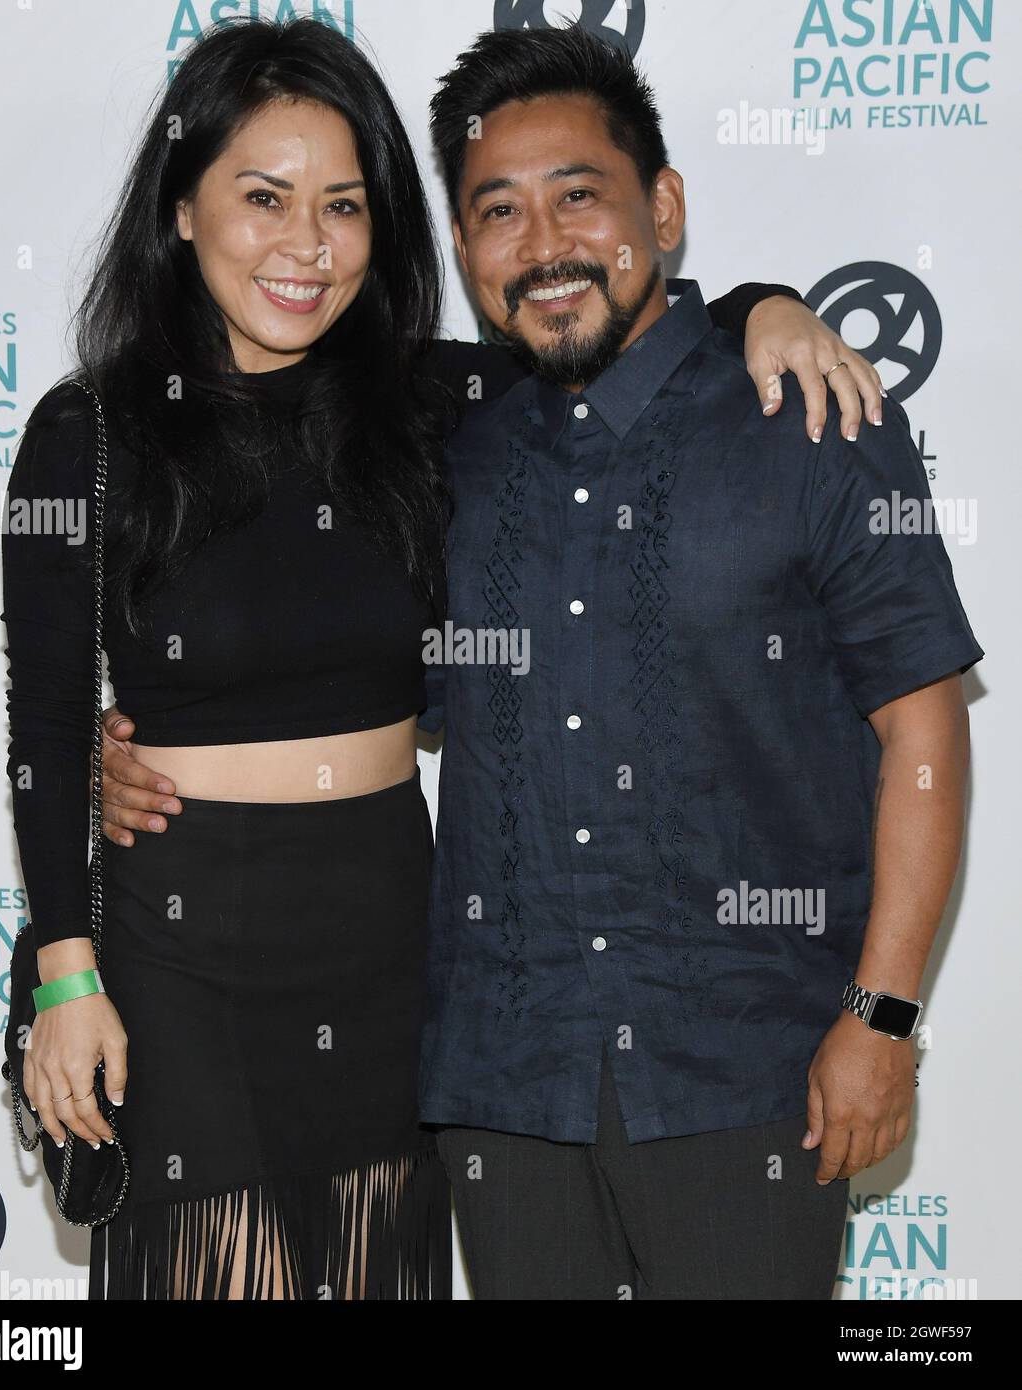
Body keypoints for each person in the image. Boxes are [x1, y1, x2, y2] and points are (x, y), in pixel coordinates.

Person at [64, 20, 880, 1300]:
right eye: (263, 197)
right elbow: (44, 719)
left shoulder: (426, 404)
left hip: (392, 956)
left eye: (342, 203)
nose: (304, 241)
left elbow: (608, 329)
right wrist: (76, 883)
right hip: (184, 951)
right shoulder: (97, 428)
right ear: (180, 206)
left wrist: (759, 303)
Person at [411, 24, 981, 1299]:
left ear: (660, 208)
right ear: (462, 250)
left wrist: (882, 1016)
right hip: (505, 1083)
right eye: (496, 211)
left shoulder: (811, 416)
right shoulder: (445, 450)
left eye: (578, 196)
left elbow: (924, 731)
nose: (542, 242)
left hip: (751, 1075)